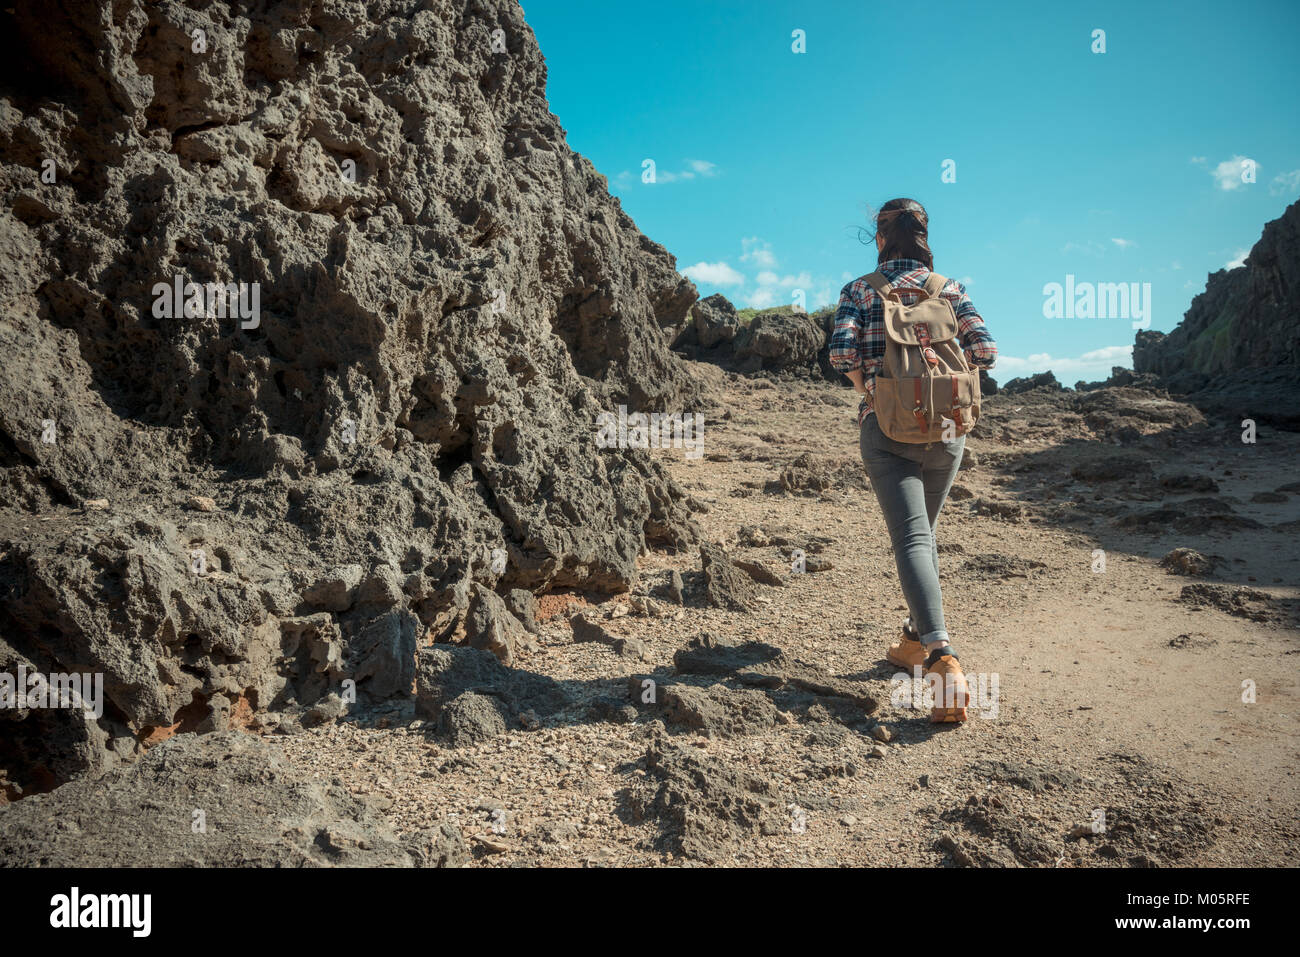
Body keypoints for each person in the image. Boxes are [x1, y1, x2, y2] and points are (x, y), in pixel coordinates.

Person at [828, 198, 997, 722]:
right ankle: (910, 642)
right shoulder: (950, 289)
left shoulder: (861, 289)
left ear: (880, 238)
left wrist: (870, 391)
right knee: (922, 536)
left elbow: (841, 353)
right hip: (947, 430)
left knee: (913, 539)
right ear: (923, 236)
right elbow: (986, 351)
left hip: (887, 427)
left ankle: (943, 657)